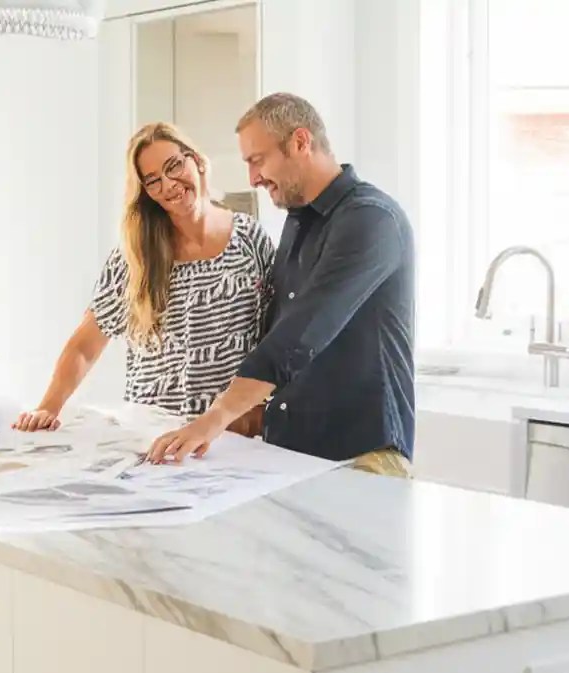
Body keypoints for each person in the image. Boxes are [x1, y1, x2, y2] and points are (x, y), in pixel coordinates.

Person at [147, 92, 416, 477]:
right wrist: (251, 415)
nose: (253, 178)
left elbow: (300, 334)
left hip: (361, 455)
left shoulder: (371, 221)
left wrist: (217, 416)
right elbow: (277, 326)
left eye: (257, 160)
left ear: (301, 142)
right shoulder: (298, 221)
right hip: (294, 452)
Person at [13, 121, 275, 435]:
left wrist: (261, 411)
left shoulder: (249, 237)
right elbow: (85, 345)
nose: (168, 185)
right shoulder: (134, 256)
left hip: (228, 433)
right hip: (151, 433)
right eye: (153, 181)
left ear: (196, 160)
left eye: (173, 166)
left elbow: (276, 336)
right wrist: (48, 406)